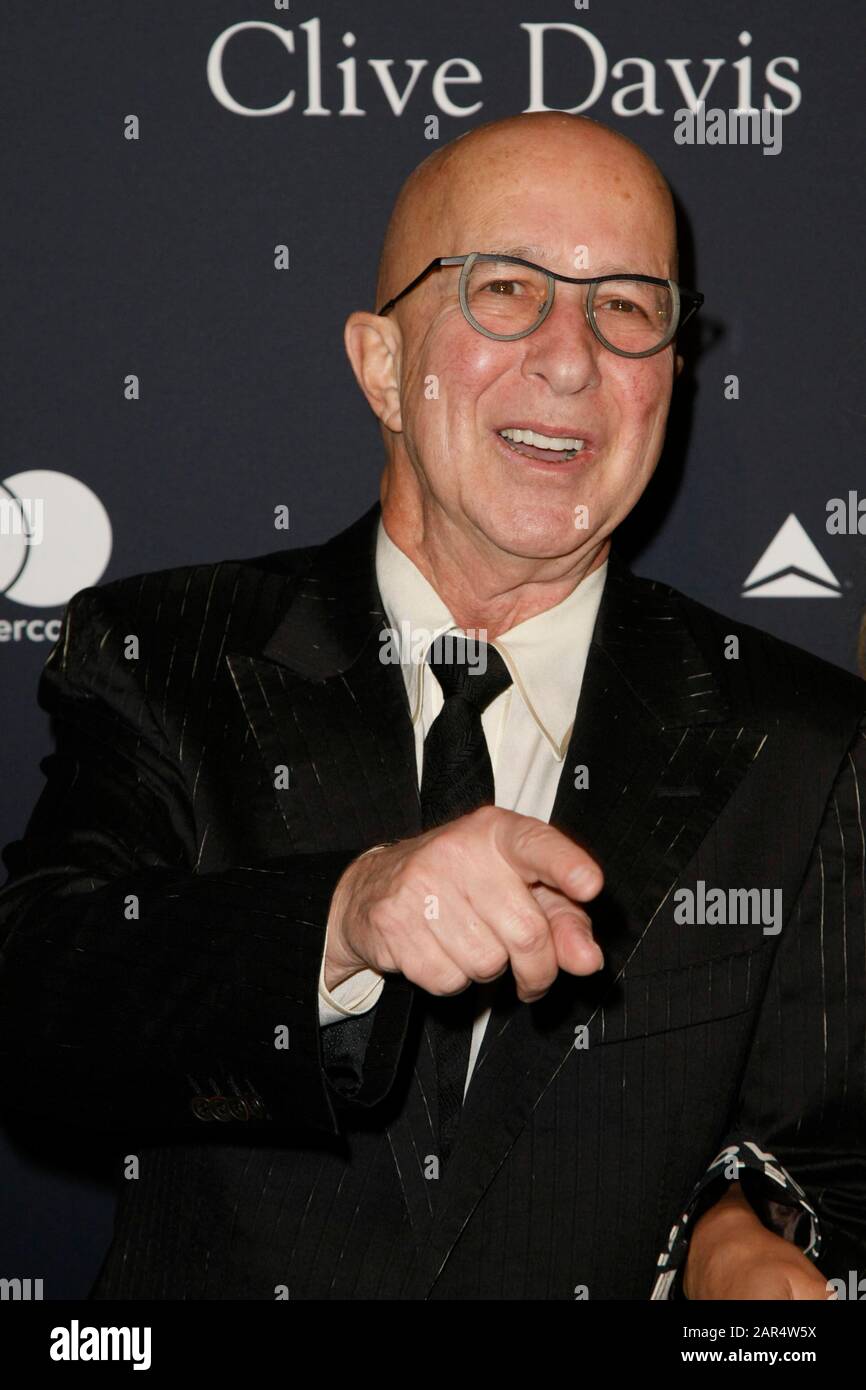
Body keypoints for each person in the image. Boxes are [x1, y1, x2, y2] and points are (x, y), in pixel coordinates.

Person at [0, 112, 863, 1301]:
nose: (571, 356)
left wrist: (734, 1229)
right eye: (504, 287)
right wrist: (343, 917)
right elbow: (38, 1010)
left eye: (625, 305)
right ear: (378, 367)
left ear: (669, 368)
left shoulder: (804, 738)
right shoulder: (170, 655)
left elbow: (820, 1146)